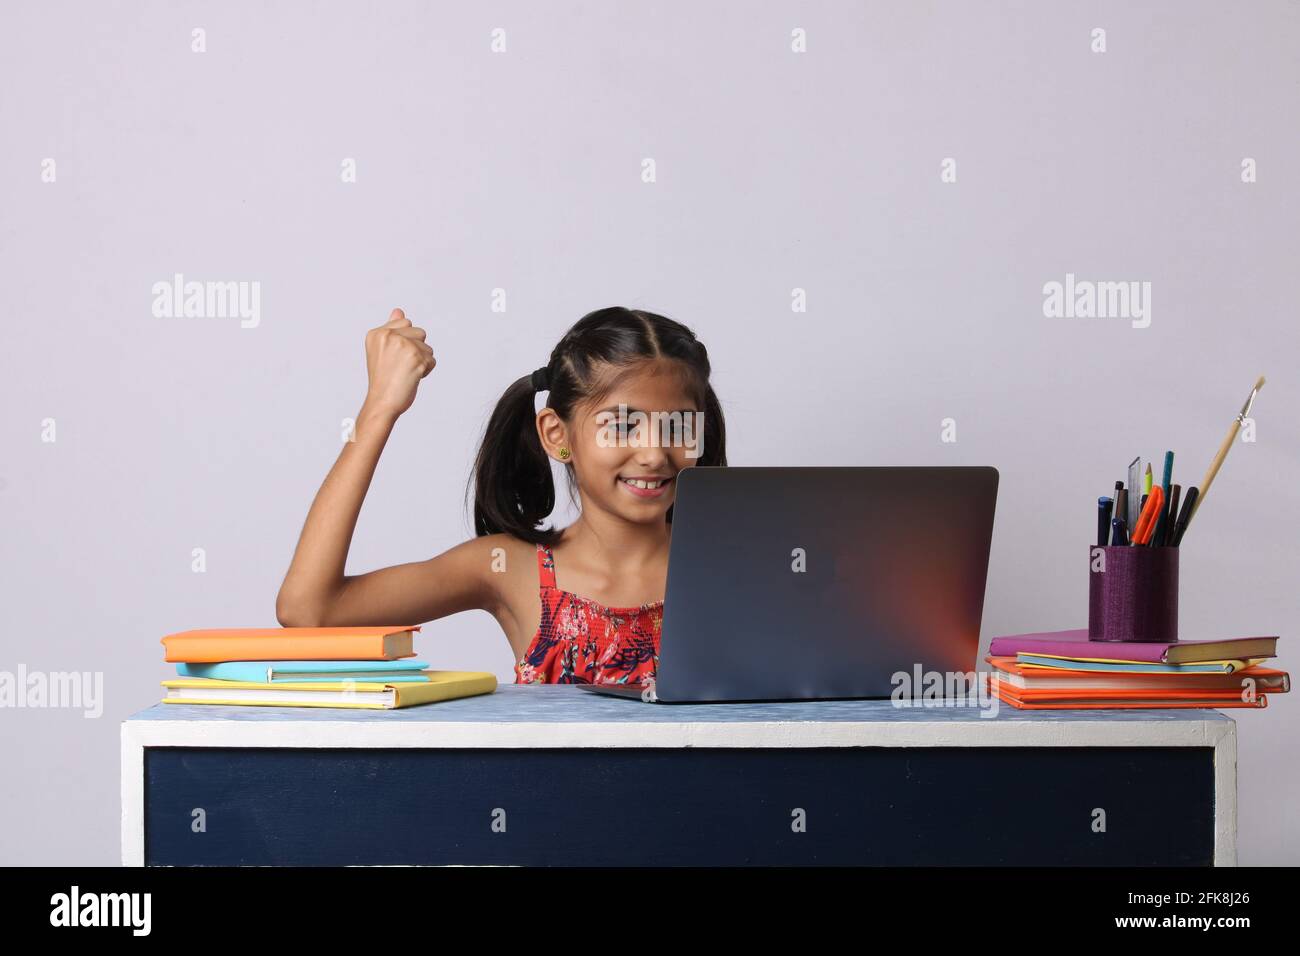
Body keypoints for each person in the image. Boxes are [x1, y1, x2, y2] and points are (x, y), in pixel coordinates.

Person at [276, 305, 726, 686]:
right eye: (622, 425)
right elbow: (308, 609)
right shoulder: (509, 567)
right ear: (556, 434)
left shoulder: (735, 565)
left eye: (677, 425)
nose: (653, 453)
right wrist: (379, 407)